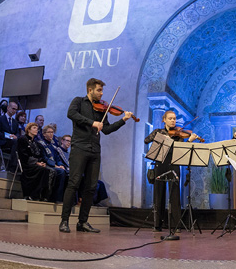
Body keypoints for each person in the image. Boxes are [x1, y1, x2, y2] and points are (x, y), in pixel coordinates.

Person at [59, 78, 132, 234]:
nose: (102, 93)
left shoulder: (102, 109)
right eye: (99, 90)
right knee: (73, 183)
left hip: (95, 150)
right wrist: (92, 123)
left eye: (102, 90)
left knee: (91, 187)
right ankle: (64, 221)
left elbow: (106, 129)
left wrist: (123, 120)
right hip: (79, 147)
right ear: (90, 90)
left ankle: (83, 222)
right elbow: (71, 114)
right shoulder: (78, 101)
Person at [144, 110, 199, 233]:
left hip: (173, 164)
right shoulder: (158, 131)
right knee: (159, 194)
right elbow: (146, 140)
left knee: (174, 194)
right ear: (164, 120)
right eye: (170, 118)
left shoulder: (178, 135)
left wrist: (189, 140)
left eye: (174, 118)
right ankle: (157, 224)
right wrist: (159, 137)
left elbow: (181, 150)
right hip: (160, 164)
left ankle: (176, 225)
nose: (173, 120)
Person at [16, 122, 57, 201]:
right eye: (34, 128)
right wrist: (36, 162)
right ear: (28, 129)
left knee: (49, 170)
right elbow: (23, 155)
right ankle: (34, 194)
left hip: (35, 163)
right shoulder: (23, 139)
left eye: (37, 128)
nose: (36, 130)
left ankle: (43, 195)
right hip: (27, 164)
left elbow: (39, 155)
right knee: (43, 170)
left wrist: (41, 162)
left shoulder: (34, 142)